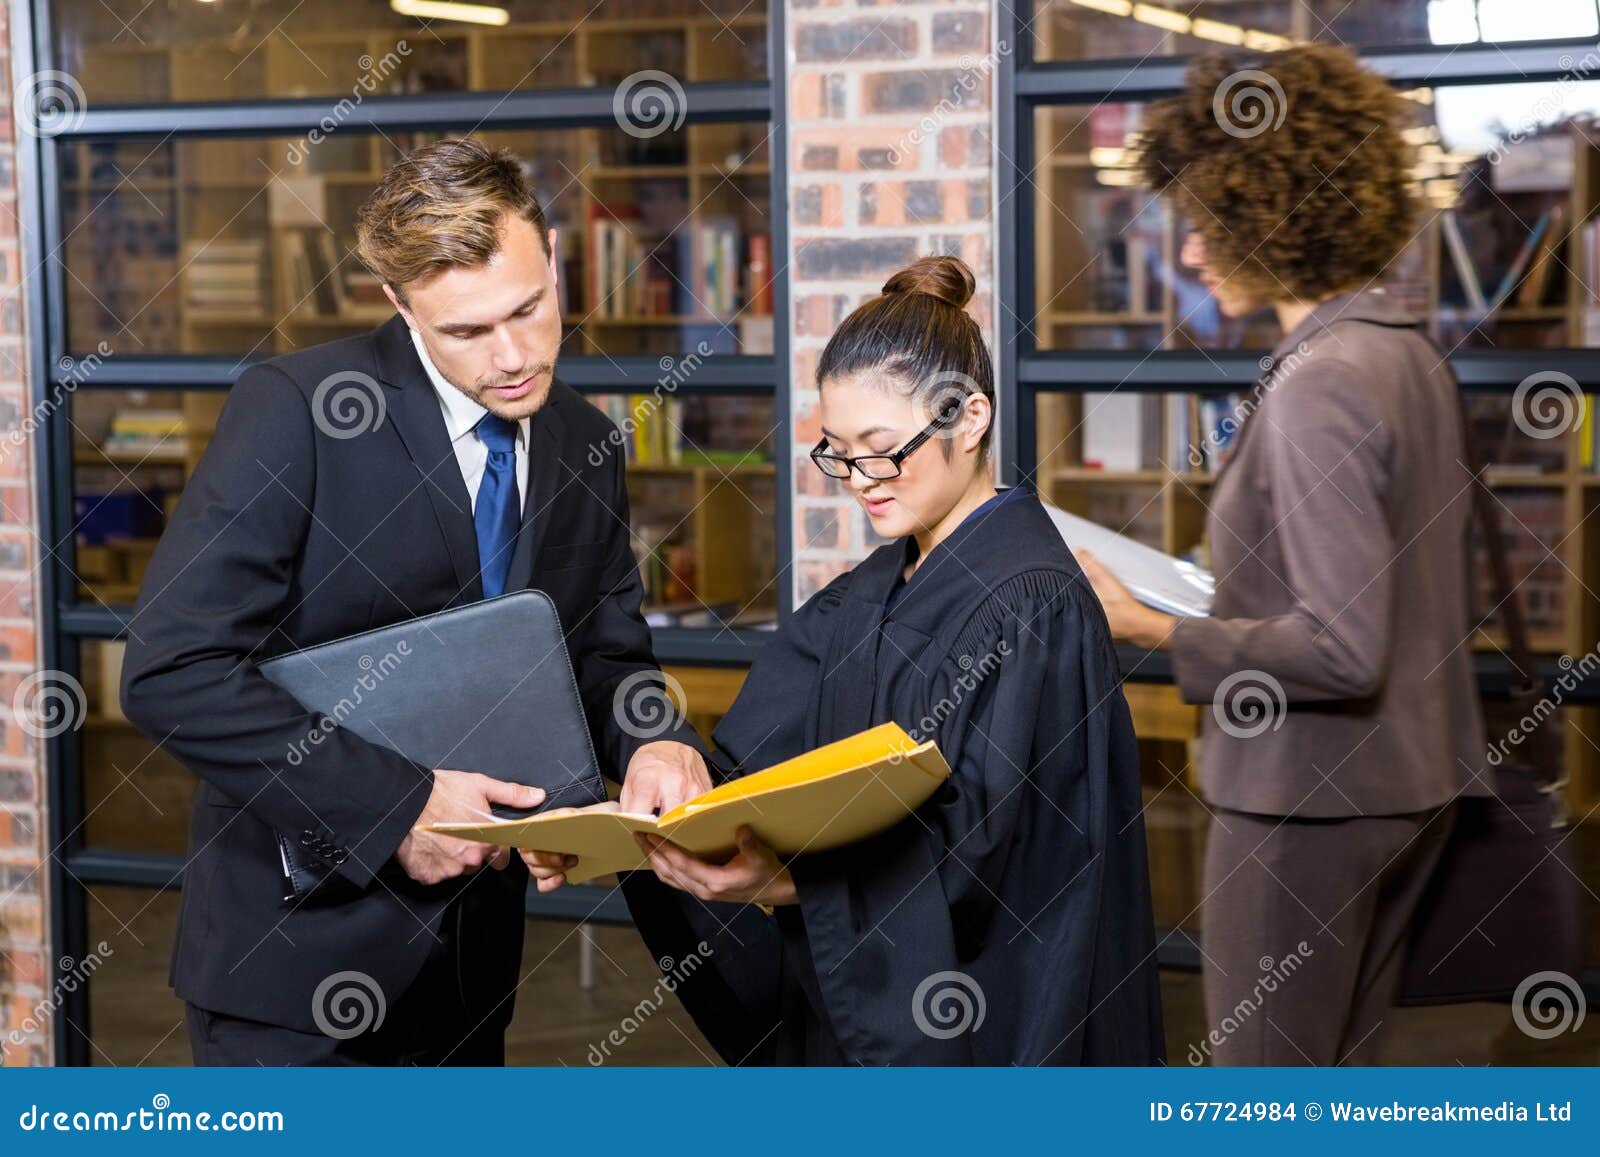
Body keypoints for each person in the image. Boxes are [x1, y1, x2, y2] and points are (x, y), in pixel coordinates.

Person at [120, 137, 712, 1065]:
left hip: (475, 975)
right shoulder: (297, 408)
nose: (514, 356)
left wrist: (655, 740)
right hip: (292, 982)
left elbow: (604, 654)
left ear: (552, 254)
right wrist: (396, 807)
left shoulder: (586, 439)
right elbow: (171, 671)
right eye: (467, 332)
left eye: (529, 307)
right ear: (397, 304)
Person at [533, 255, 1165, 1066]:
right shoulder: (869, 591)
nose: (860, 480)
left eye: (881, 449)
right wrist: (618, 821)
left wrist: (791, 884)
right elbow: (749, 771)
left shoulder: (1035, 607)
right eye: (838, 452)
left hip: (992, 1034)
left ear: (969, 418)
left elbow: (998, 871)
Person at [1075, 45, 1489, 1065]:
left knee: (1264, 1092)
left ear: (1274, 213)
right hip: (1405, 783)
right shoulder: (1400, 349)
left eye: (1211, 221)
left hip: (1306, 795)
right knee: (1333, 1088)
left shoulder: (1321, 381)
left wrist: (1148, 623)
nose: (1194, 250)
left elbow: (1343, 646)